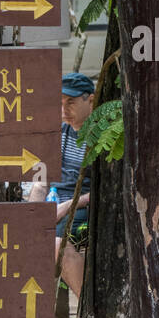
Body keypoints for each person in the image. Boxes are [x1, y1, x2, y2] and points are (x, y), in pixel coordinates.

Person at [27, 71, 95, 299]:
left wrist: (66, 207)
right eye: (60, 103)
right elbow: (40, 184)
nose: (64, 109)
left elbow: (107, 192)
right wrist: (33, 212)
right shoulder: (54, 134)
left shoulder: (104, 138)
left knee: (56, 244)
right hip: (54, 207)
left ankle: (88, 311)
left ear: (91, 100)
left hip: (83, 208)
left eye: (71, 102)